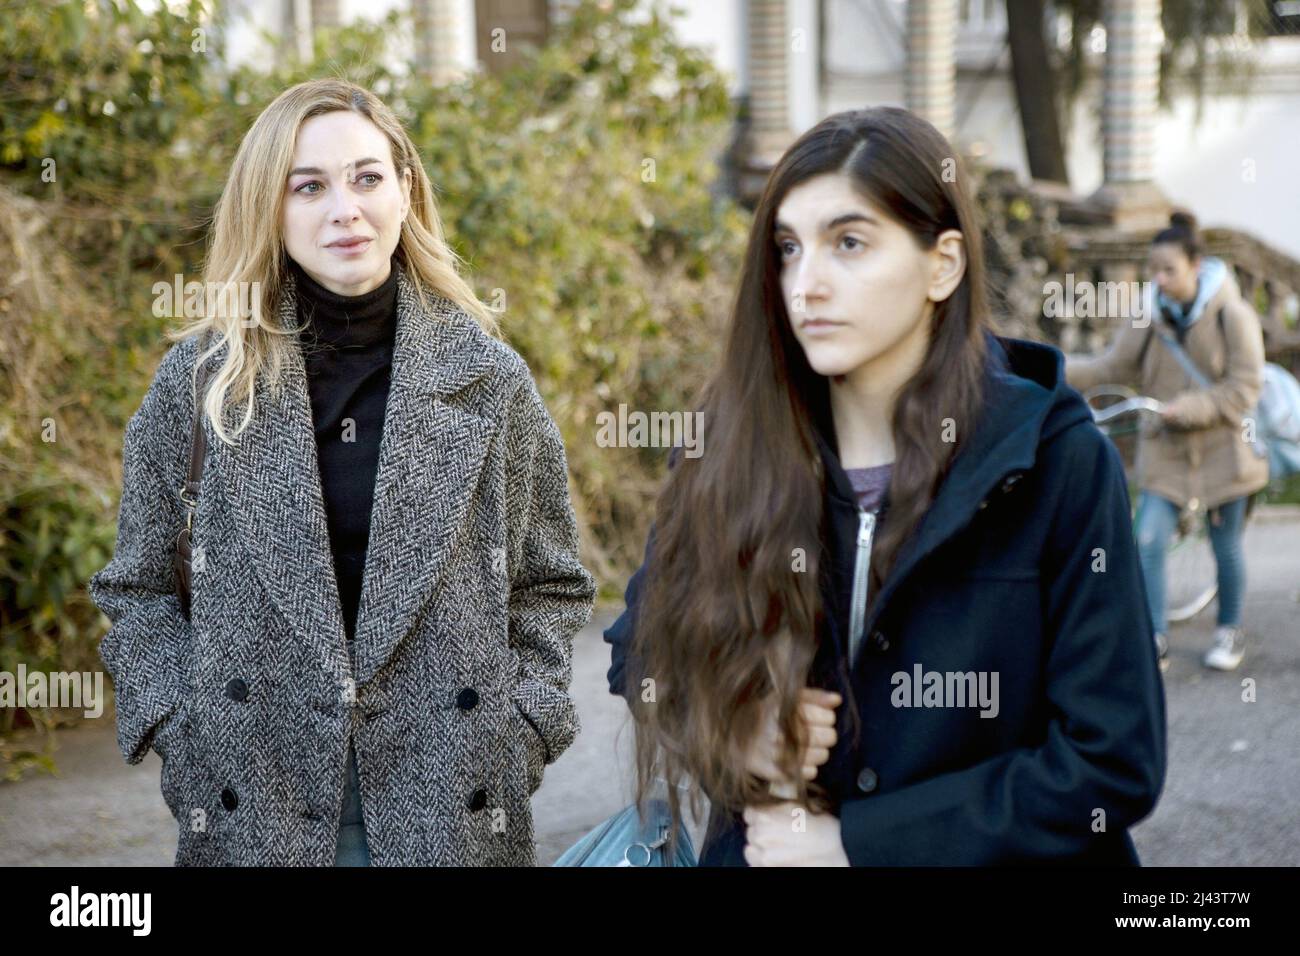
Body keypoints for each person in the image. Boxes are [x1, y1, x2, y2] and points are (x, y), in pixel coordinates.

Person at [603, 107, 1165, 866]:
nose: (806, 285)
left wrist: (862, 846)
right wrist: (731, 726)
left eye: (849, 243)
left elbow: (1111, 759)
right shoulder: (727, 446)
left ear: (944, 265)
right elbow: (640, 650)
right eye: (788, 248)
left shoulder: (1054, 462)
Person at [89, 78, 595, 866]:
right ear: (270, 207)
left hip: (452, 810)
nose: (345, 209)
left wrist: (520, 732)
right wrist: (190, 745)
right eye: (310, 187)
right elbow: (137, 590)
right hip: (256, 810)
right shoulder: (200, 384)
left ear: (405, 190)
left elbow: (550, 584)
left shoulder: (489, 382)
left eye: (366, 177)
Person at [1066, 212, 1268, 672]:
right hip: (1165, 449)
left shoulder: (1232, 315)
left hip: (1224, 449)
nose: (1158, 279)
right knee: (1149, 538)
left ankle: (1229, 629)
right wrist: (1054, 367)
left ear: (1196, 265)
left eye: (1168, 270)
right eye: (1152, 269)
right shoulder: (1148, 311)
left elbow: (1244, 388)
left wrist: (1188, 408)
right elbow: (1111, 367)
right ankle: (1154, 636)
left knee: (1224, 545)